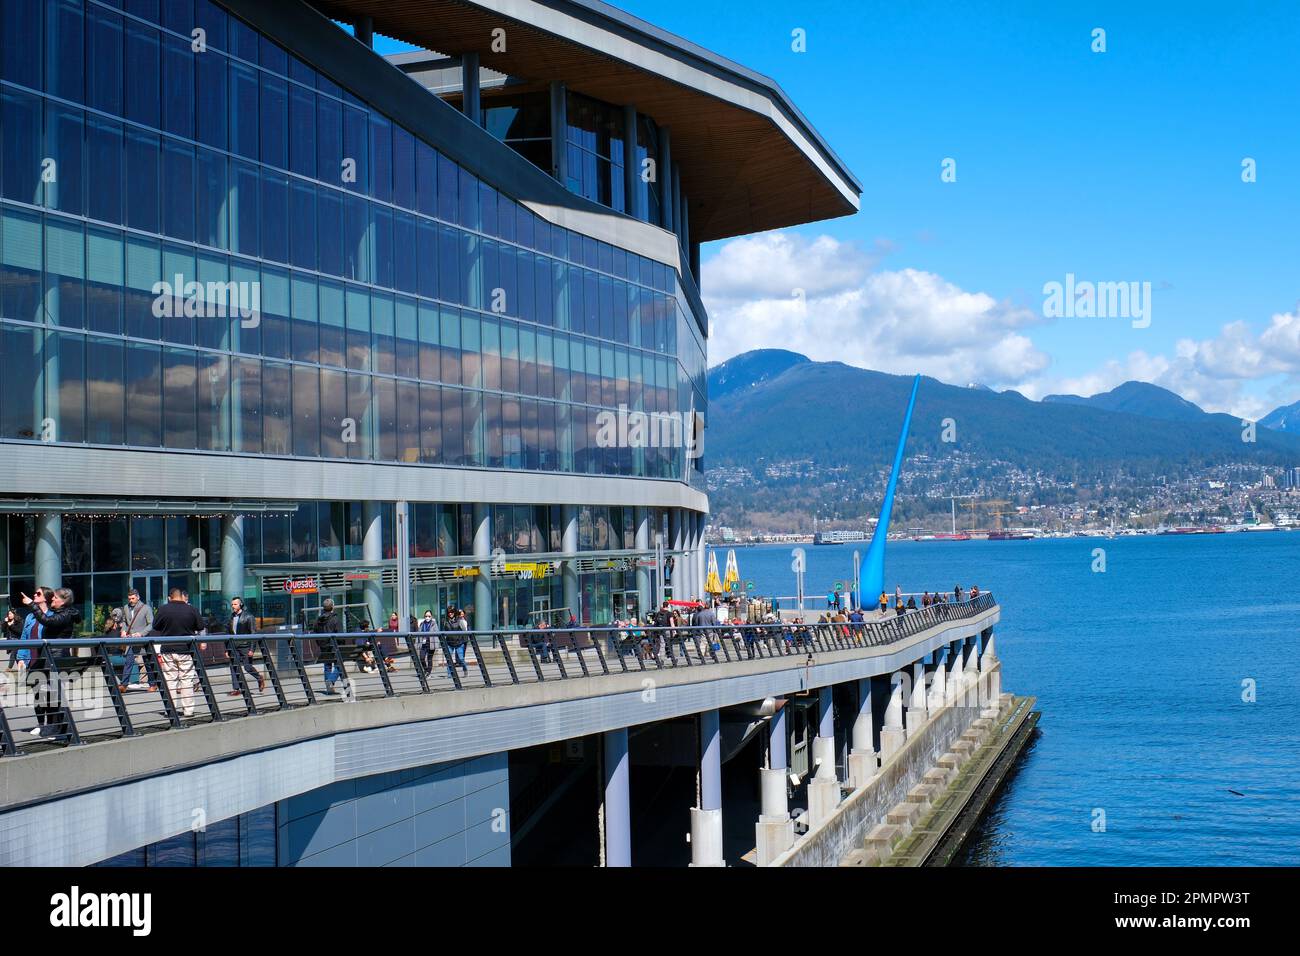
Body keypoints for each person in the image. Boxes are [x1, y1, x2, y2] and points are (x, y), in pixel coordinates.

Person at [20, 587, 82, 739]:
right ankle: (57, 729)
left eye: (55, 597)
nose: (52, 599)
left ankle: (58, 729)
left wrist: (31, 604)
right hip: (50, 658)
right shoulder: (64, 613)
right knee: (48, 695)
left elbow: (46, 620)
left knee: (52, 695)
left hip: (55, 658)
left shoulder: (64, 615)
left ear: (64, 600)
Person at [147, 588, 206, 718]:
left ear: (170, 597)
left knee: (170, 680)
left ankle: (172, 709)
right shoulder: (191, 609)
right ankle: (188, 710)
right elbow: (200, 626)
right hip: (186, 649)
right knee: (187, 679)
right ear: (182, 597)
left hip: (167, 649)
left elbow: (155, 626)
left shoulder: (163, 609)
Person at [224, 597, 264, 696]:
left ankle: (259, 678)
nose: (233, 606)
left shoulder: (249, 616)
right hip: (233, 646)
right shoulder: (231, 617)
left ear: (241, 604)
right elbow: (227, 633)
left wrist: (252, 649)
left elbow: (253, 633)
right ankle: (236, 688)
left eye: (235, 604)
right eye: (232, 604)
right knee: (233, 666)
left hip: (245, 646)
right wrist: (227, 649)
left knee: (247, 667)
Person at [116, 588, 154, 691]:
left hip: (143, 639)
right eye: (129, 598)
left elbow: (150, 624)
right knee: (129, 661)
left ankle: (152, 684)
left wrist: (141, 634)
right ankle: (124, 685)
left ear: (138, 597)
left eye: (132, 598)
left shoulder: (146, 608)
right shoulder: (126, 607)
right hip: (131, 639)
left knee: (147, 662)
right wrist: (123, 630)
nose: (131, 600)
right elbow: (124, 622)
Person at [313, 597, 347, 694]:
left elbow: (314, 631)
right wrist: (342, 645)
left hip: (323, 647)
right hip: (335, 647)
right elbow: (340, 636)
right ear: (333, 607)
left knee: (327, 666)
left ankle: (329, 689)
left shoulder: (318, 620)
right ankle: (331, 681)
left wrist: (320, 643)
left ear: (323, 608)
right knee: (339, 665)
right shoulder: (335, 619)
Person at [418, 609, 437, 673]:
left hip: (431, 643)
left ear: (431, 616)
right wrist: (417, 644)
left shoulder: (434, 624)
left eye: (429, 616)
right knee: (422, 658)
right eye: (426, 616)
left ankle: (428, 672)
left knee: (429, 659)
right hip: (423, 643)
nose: (427, 617)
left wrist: (436, 645)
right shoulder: (422, 624)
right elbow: (418, 634)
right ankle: (426, 670)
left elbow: (437, 634)